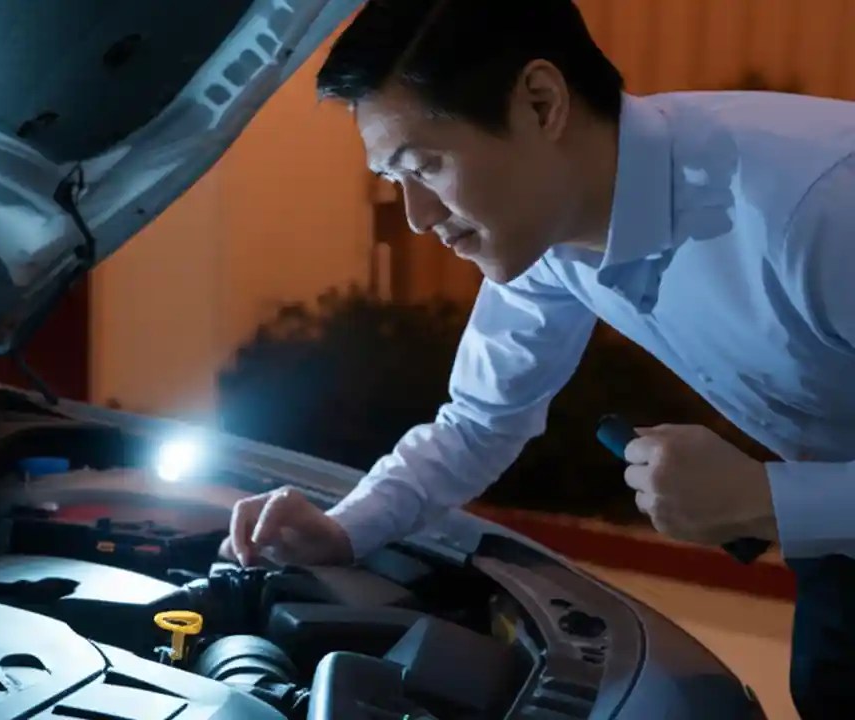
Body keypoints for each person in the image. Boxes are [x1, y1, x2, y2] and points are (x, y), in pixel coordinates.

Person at [218, 0, 855, 716]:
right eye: (395, 180)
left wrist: (765, 499)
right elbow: (480, 421)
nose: (417, 217)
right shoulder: (549, 227)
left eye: (425, 166)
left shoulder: (821, 208)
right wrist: (344, 528)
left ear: (542, 103)